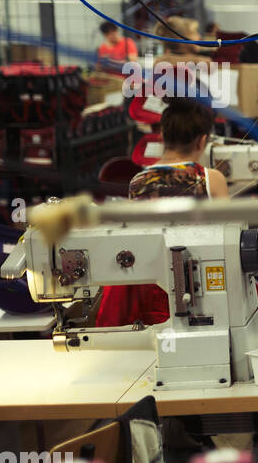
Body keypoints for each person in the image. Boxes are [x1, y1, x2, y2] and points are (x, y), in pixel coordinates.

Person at [94, 98, 227, 327]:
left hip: (153, 293)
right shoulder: (210, 179)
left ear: (162, 136)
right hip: (201, 288)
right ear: (203, 140)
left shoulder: (137, 181)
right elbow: (230, 237)